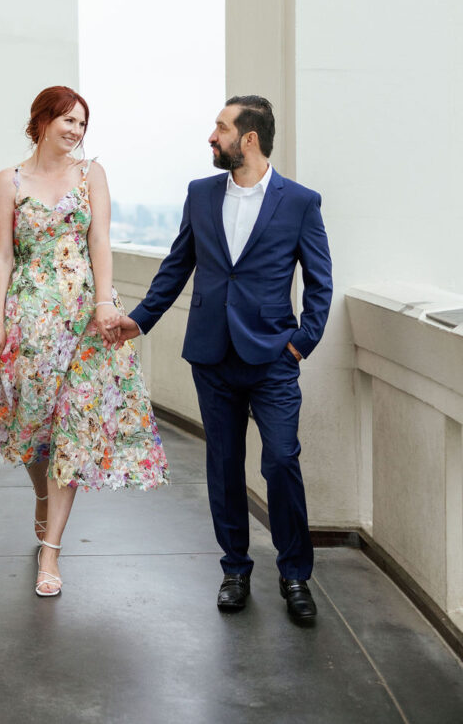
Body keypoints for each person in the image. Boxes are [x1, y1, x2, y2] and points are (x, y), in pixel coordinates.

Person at [0, 85, 168, 598]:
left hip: (83, 320)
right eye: (68, 120)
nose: (76, 130)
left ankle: (51, 552)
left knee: (72, 424)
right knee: (33, 424)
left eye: (82, 123)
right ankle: (43, 497)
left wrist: (105, 302)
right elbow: (1, 256)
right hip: (29, 319)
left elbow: (100, 241)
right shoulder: (9, 181)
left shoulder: (91, 175)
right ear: (43, 121)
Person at [117, 95, 332, 623]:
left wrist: (300, 343)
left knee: (280, 460)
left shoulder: (300, 202)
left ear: (249, 139)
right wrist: (139, 320)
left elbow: (320, 283)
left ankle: (295, 574)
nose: (212, 137)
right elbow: (177, 264)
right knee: (223, 464)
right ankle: (235, 568)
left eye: (221, 128)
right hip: (212, 355)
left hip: (272, 357)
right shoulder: (201, 193)